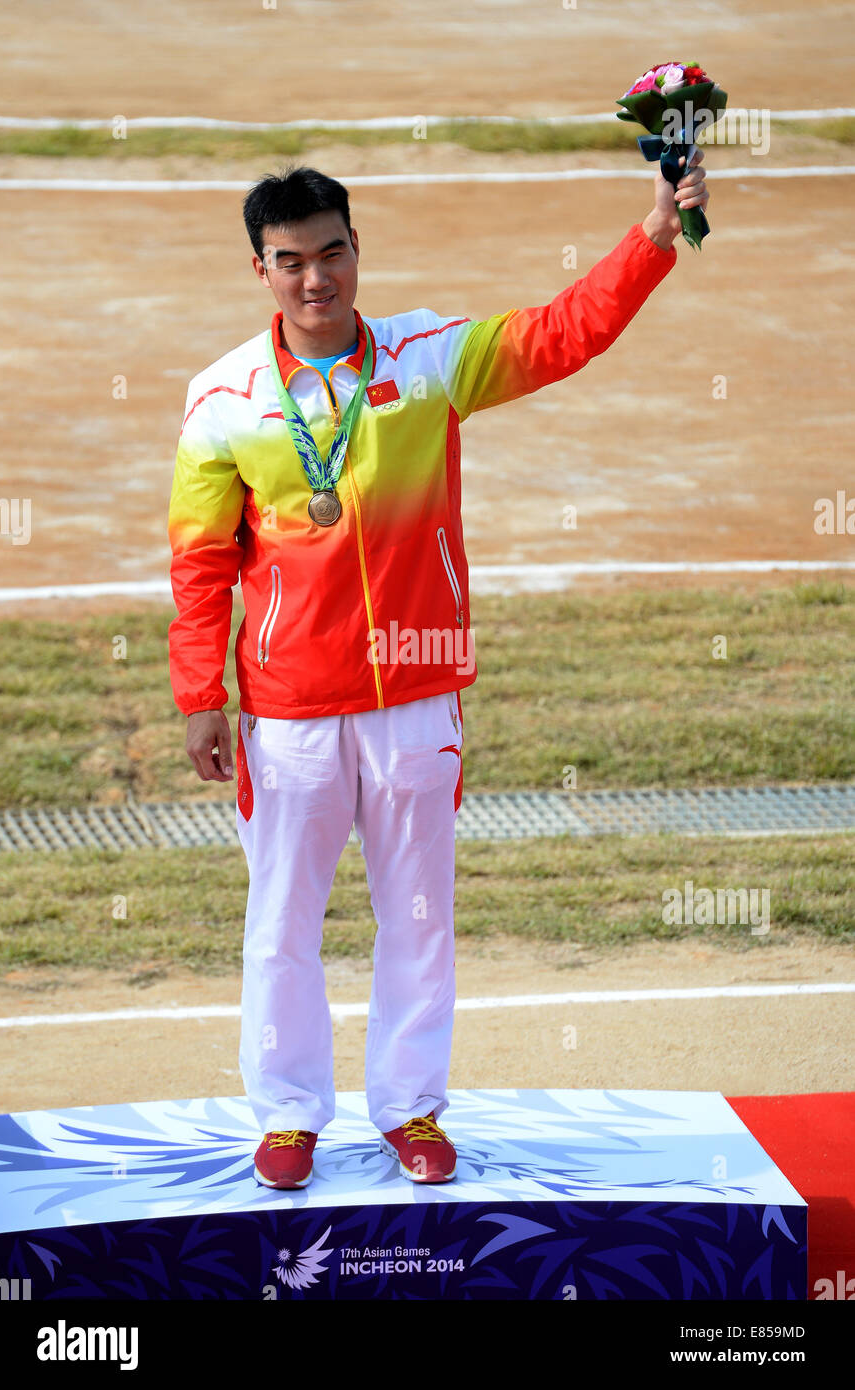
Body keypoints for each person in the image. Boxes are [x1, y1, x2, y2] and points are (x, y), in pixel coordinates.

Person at [167, 154, 710, 1189]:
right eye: (291, 261)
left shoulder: (427, 357)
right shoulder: (222, 398)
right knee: (280, 925)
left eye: (332, 253)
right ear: (260, 270)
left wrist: (653, 236)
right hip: (288, 708)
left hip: (415, 692)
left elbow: (563, 333)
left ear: (356, 249)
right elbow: (199, 564)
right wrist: (201, 695)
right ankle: (288, 1117)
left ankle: (410, 1107)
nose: (316, 279)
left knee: (418, 914)